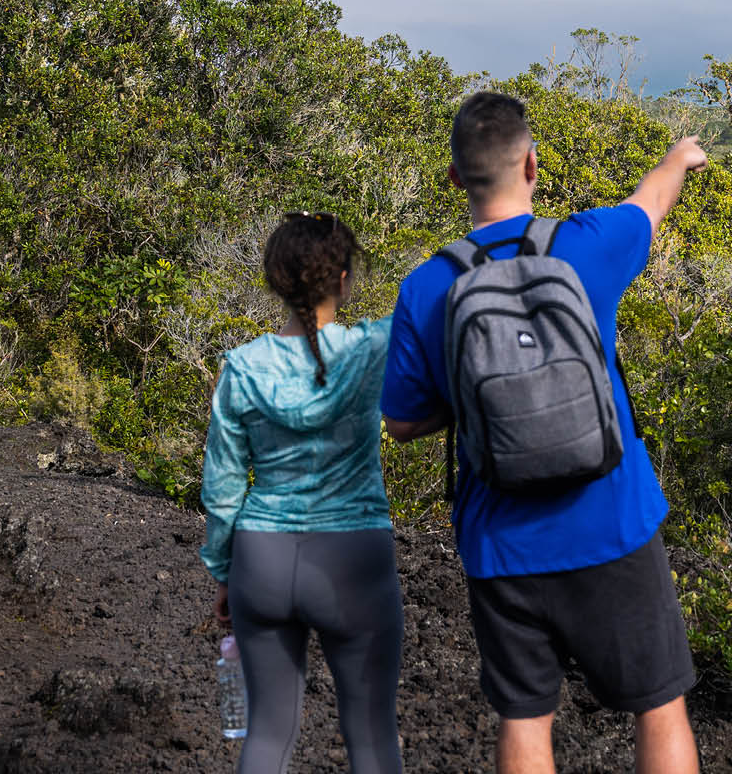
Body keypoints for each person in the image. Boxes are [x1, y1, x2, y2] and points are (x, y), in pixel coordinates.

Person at [382, 92, 706, 774]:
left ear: (453, 178)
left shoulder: (424, 289)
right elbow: (650, 202)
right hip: (612, 521)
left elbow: (404, 421)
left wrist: (475, 398)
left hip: (501, 541)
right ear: (532, 164)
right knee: (659, 706)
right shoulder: (587, 246)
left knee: (526, 719)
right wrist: (681, 156)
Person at [200, 212, 404, 774]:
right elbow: (433, 309)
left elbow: (220, 488)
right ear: (343, 279)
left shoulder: (242, 368)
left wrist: (225, 572)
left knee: (267, 735)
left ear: (275, 281)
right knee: (371, 738)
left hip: (261, 561)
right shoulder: (370, 349)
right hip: (353, 557)